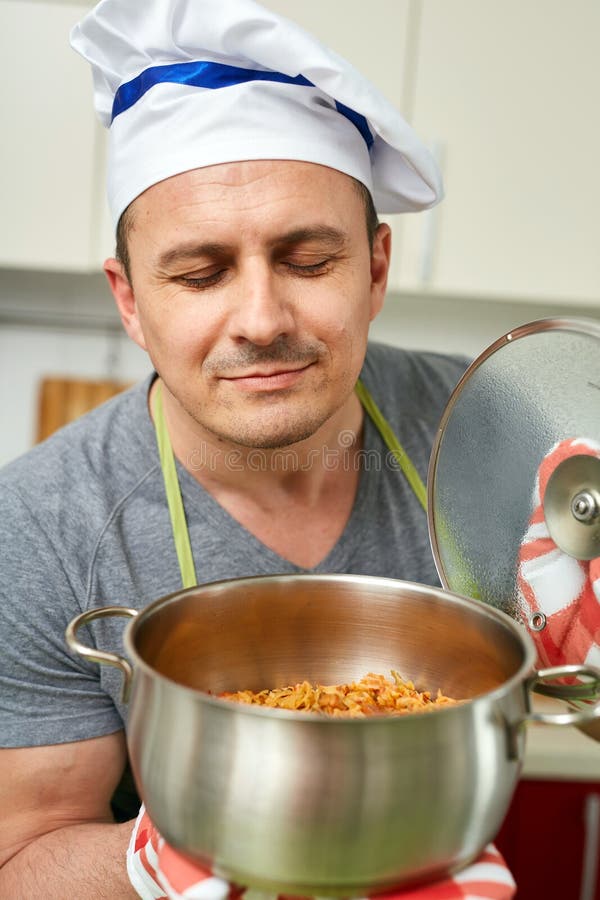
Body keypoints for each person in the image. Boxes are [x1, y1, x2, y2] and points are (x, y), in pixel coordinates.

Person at [0, 0, 516, 897]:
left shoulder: (496, 427)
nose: (262, 320)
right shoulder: (39, 528)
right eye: (199, 275)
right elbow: (20, 860)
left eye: (309, 261)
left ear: (378, 269)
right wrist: (164, 859)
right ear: (129, 300)